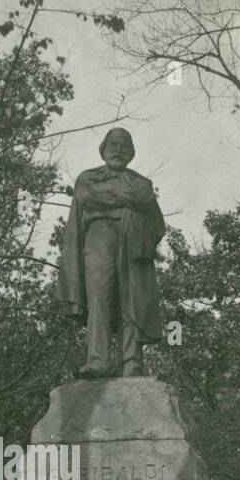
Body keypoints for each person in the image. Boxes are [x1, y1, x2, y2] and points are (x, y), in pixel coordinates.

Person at [57, 127, 166, 378]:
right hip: (99, 236)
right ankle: (97, 360)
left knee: (132, 299)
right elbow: (88, 197)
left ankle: (131, 361)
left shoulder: (141, 182)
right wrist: (125, 197)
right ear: (104, 149)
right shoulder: (88, 178)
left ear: (131, 153)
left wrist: (112, 193)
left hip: (134, 239)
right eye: (114, 145)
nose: (118, 151)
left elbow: (145, 200)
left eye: (124, 147)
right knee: (99, 297)